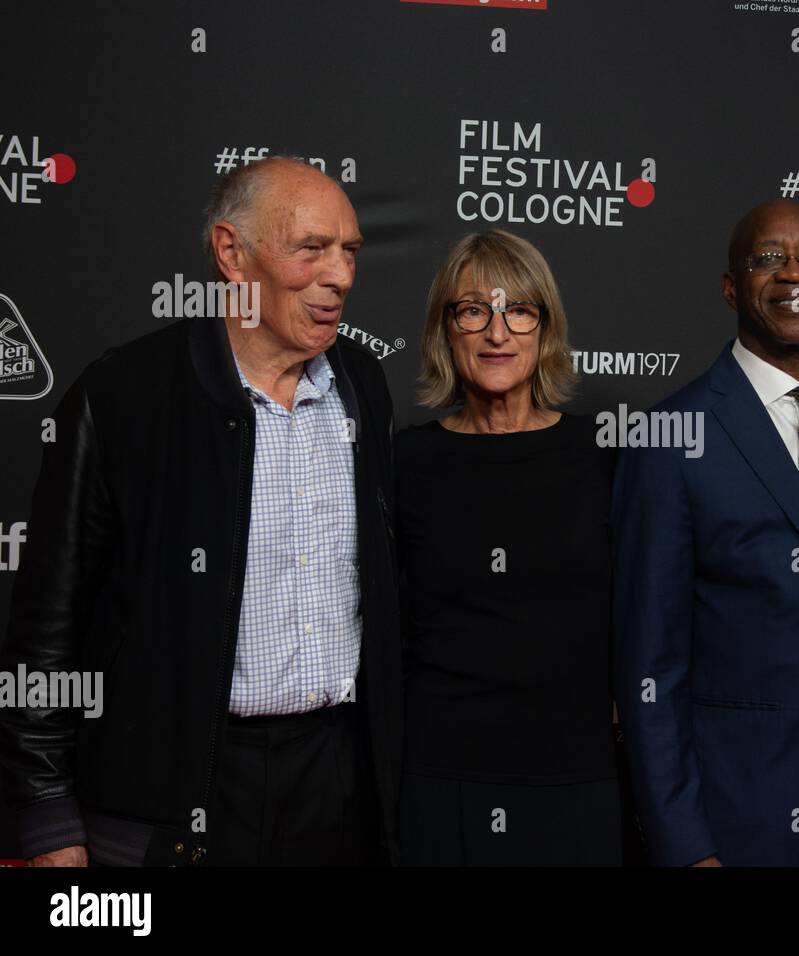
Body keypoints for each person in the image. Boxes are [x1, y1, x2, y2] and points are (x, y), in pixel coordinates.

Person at [0, 156, 402, 866]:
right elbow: (47, 626)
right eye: (312, 248)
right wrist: (45, 815)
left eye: (349, 252)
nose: (340, 276)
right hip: (181, 790)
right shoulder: (123, 396)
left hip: (336, 785)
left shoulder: (361, 385)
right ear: (230, 253)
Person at [612, 199, 799, 866]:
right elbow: (650, 669)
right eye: (767, 259)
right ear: (729, 287)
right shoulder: (670, 439)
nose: (792, 275)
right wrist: (685, 846)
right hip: (748, 824)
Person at [396, 229, 620, 866]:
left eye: (518, 310)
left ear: (545, 328)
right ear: (447, 329)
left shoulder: (603, 457)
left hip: (575, 776)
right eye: (474, 310)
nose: (497, 333)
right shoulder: (405, 462)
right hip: (444, 776)